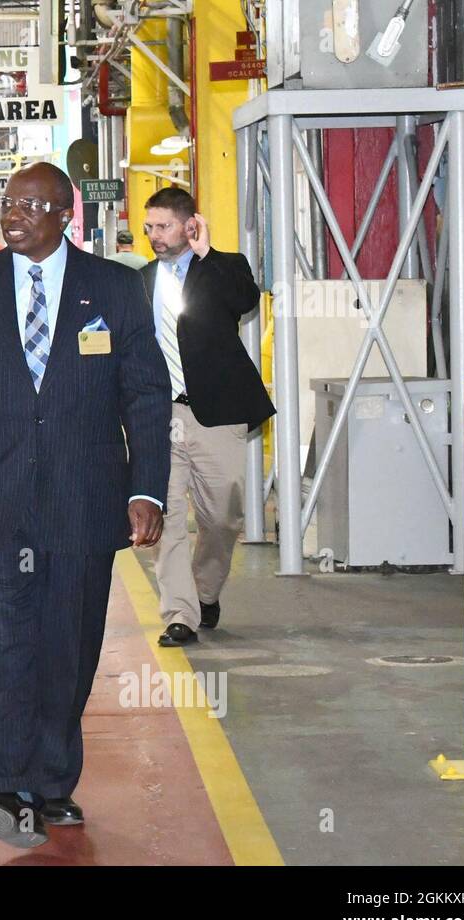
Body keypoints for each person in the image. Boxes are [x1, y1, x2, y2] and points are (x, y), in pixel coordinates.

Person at [0, 162, 170, 848]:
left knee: (68, 648)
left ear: (66, 215)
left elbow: (145, 396)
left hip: (83, 501)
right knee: (5, 646)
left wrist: (146, 486)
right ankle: (11, 787)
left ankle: (54, 784)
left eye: (34, 205)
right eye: (10, 202)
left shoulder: (115, 289)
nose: (16, 214)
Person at [138, 187, 274, 648]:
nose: (154, 235)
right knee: (168, 515)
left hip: (217, 414)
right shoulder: (139, 282)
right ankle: (180, 613)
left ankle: (205, 591)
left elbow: (243, 299)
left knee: (221, 517)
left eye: (164, 226)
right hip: (162, 416)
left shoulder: (223, 267)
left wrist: (208, 253)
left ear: (189, 223)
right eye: (149, 226)